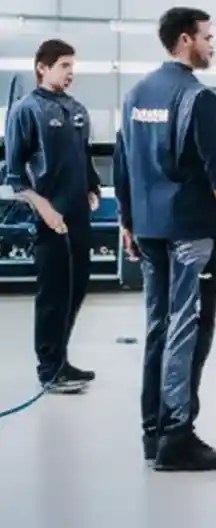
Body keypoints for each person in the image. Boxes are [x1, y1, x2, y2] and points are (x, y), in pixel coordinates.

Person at [115, 7, 216, 472]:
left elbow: (123, 163)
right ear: (186, 39)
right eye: (208, 37)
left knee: (159, 326)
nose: (213, 45)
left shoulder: (135, 95)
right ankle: (177, 435)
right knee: (188, 328)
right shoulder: (198, 98)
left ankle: (152, 433)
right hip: (192, 230)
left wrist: (127, 221)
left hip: (149, 229)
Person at [3, 39, 101, 394]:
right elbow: (15, 176)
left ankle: (61, 359)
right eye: (63, 65)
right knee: (53, 295)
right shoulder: (26, 111)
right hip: (49, 217)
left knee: (77, 287)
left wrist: (92, 187)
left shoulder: (77, 110)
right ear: (42, 68)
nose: (70, 72)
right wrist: (43, 207)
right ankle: (49, 369)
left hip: (78, 214)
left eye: (73, 66)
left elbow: (84, 157)